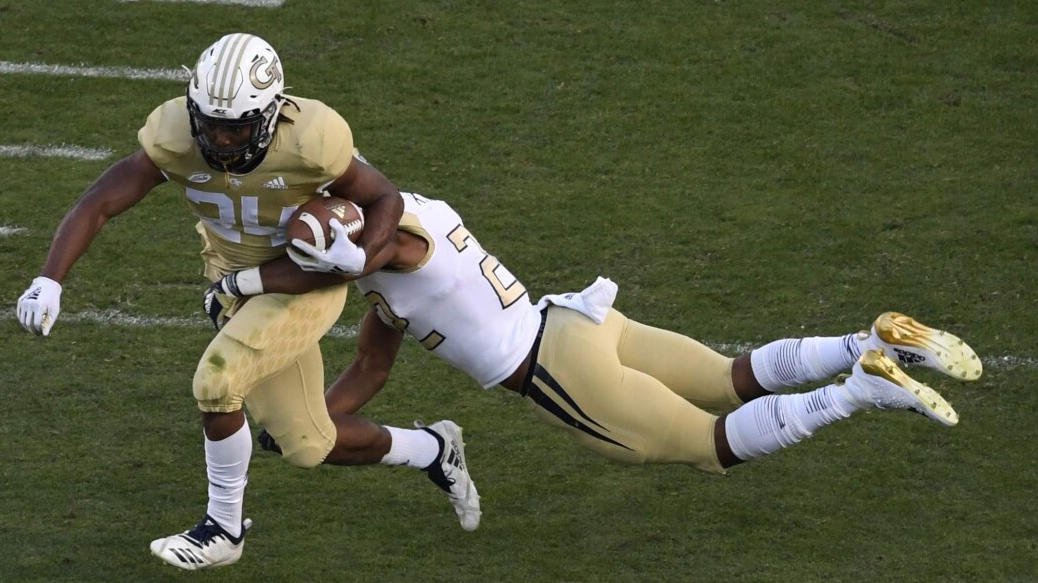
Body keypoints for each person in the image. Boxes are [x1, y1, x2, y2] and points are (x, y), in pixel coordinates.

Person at [15, 35, 479, 571]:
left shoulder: (311, 140)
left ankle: (223, 530)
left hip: (301, 284)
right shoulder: (173, 135)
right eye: (210, 123)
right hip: (231, 282)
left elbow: (383, 197)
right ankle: (433, 449)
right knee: (308, 443)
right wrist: (49, 279)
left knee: (216, 384)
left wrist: (359, 256)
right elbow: (99, 201)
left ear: (270, 114)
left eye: (236, 126)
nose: (220, 137)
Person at [215, 192, 981, 482]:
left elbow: (361, 262)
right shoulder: (413, 216)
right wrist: (309, 422)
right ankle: (867, 339)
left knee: (711, 446)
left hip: (556, 370)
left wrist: (249, 281)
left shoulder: (390, 254)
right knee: (729, 377)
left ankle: (859, 390)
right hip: (577, 321)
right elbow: (370, 367)